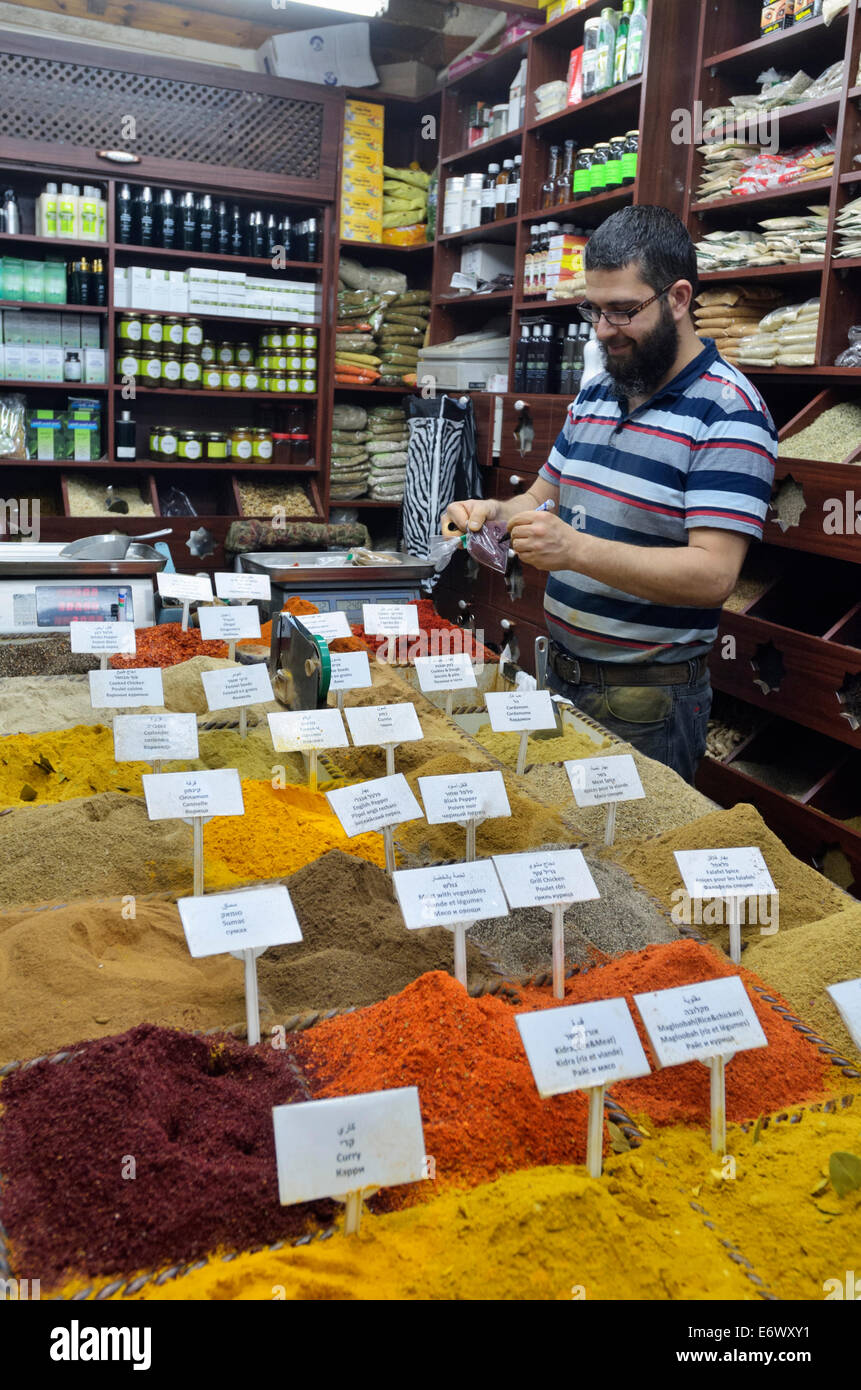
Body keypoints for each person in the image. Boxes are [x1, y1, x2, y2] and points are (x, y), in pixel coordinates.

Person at [443, 205, 777, 785]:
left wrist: (575, 551)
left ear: (678, 298)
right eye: (593, 310)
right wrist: (493, 511)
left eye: (623, 310)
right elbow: (543, 496)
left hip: (645, 702)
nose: (602, 330)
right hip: (561, 674)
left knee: (625, 865)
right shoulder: (601, 389)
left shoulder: (730, 412)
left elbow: (712, 576)